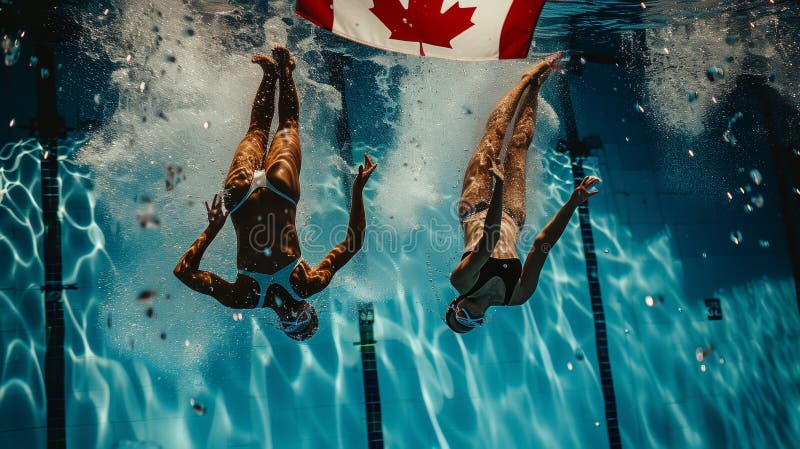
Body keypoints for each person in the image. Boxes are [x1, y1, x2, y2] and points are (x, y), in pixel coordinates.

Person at [174, 47, 377, 341]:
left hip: (248, 195)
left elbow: (183, 272)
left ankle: (275, 73)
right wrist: (357, 189)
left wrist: (212, 229)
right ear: (309, 309)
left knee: (264, 128)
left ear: (280, 325)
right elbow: (353, 242)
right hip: (262, 193)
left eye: (291, 326)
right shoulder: (303, 284)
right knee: (278, 126)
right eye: (302, 320)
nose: (293, 318)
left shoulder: (247, 298)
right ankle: (282, 71)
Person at [446, 52, 601, 333]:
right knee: (518, 145)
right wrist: (573, 202)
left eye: (461, 315)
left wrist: (499, 185)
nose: (469, 315)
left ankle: (526, 79)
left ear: (455, 304)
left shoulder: (462, 281)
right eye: (471, 322)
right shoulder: (517, 295)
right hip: (513, 215)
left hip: (476, 207)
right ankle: (536, 87)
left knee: (494, 137)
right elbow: (543, 243)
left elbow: (489, 239)